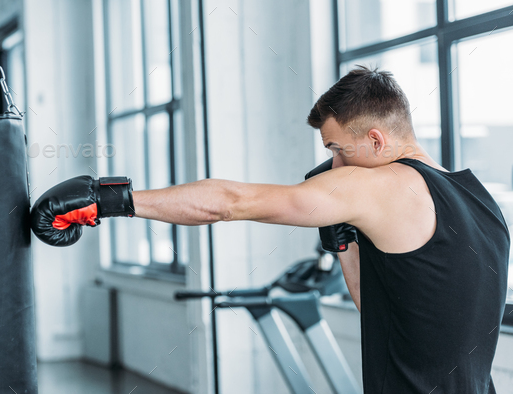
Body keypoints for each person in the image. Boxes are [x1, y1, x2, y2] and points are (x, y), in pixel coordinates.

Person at [30, 65, 510, 393]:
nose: (333, 164)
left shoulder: (385, 186)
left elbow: (231, 202)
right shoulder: (477, 197)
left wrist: (110, 199)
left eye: (338, 149)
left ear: (378, 139)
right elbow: (388, 309)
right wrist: (343, 239)